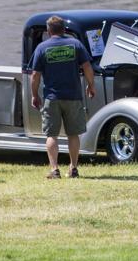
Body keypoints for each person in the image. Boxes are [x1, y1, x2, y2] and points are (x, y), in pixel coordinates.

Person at [30, 16, 96, 179]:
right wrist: (91, 85)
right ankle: (73, 168)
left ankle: (54, 170)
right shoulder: (75, 45)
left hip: (52, 97)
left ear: (48, 31)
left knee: (51, 135)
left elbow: (35, 75)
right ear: (64, 29)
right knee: (73, 134)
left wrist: (34, 94)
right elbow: (87, 66)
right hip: (73, 96)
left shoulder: (42, 47)